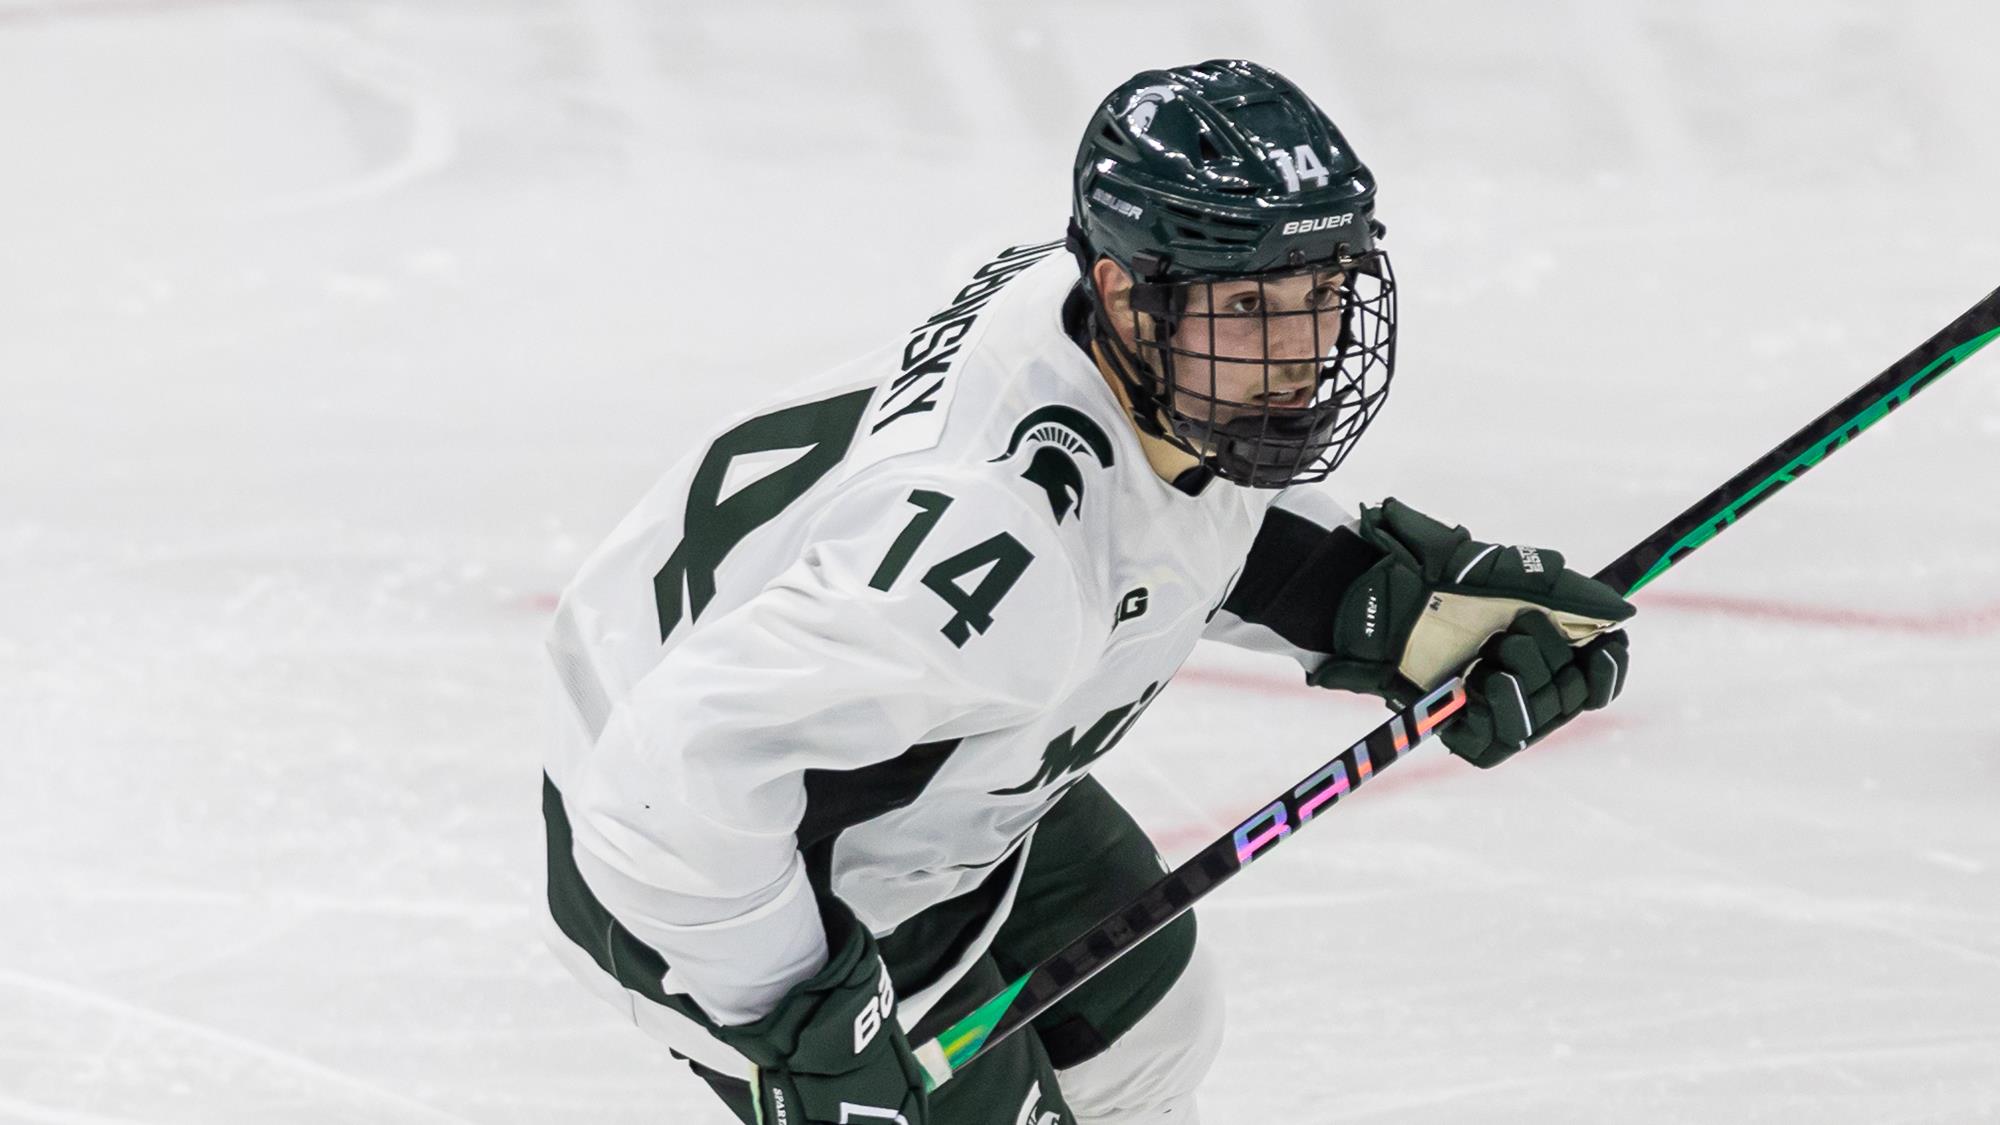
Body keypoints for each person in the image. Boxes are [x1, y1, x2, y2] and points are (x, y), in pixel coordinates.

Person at [540, 59, 1634, 1125]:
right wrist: (797, 1023)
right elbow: (666, 785)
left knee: (1151, 1027)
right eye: (1250, 302)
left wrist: (1389, 608)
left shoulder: (1109, 344)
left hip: (887, 757)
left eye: (1321, 290)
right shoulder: (992, 549)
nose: (1303, 348)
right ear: (1123, 294)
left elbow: (1156, 508)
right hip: (719, 862)